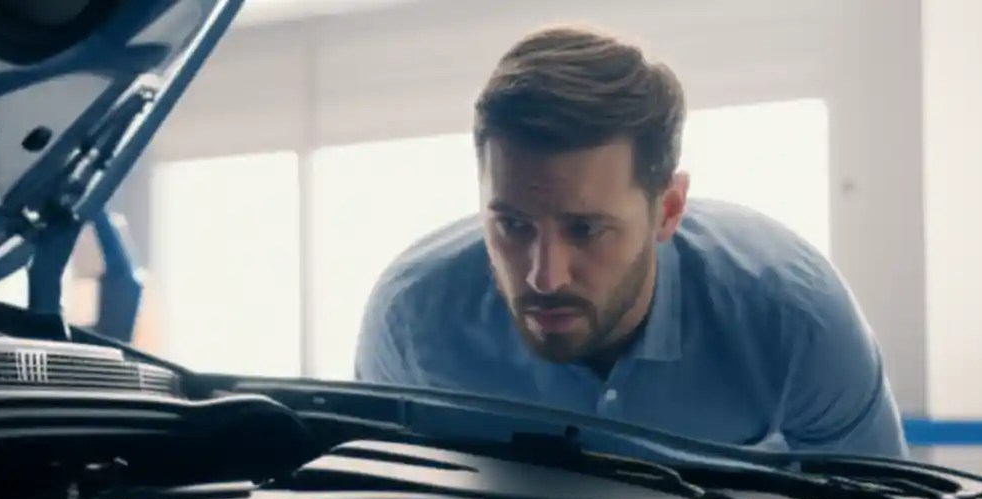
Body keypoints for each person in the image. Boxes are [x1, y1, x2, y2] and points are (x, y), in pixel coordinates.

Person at [353, 25, 908, 458]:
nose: (544, 276)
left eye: (586, 229)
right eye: (513, 225)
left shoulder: (794, 316)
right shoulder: (409, 319)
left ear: (668, 209)